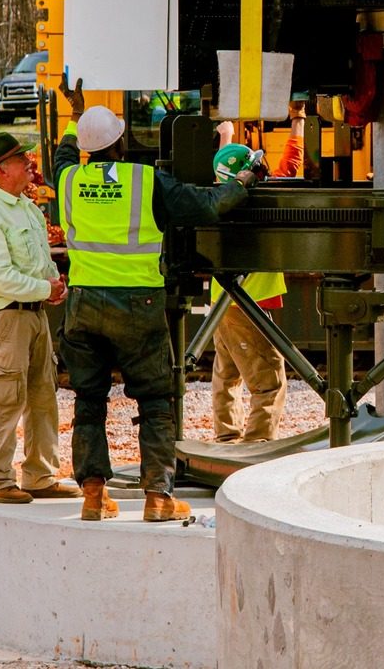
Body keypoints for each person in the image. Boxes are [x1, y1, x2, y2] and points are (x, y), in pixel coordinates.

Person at [55, 80, 260, 522]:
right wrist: (243, 182)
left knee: (89, 401)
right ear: (121, 141)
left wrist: (74, 117)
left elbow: (65, 153)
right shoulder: (145, 180)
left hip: (83, 306)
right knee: (154, 401)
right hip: (137, 307)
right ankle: (158, 498)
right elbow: (207, 205)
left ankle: (93, 495)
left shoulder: (68, 179)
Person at [0, 131, 80, 505]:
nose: (29, 163)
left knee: (42, 396)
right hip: (8, 316)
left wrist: (52, 285)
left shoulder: (24, 207)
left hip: (30, 314)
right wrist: (48, 289)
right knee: (7, 398)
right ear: (1, 170)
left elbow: (38, 260)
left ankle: (39, 475)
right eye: (20, 159)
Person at [207, 103, 304, 443]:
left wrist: (227, 135)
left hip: (222, 304)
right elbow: (290, 169)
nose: (261, 169)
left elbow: (223, 170)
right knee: (269, 378)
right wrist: (297, 121)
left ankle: (227, 438)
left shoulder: (215, 199)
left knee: (227, 374)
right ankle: (257, 442)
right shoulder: (261, 203)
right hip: (248, 305)